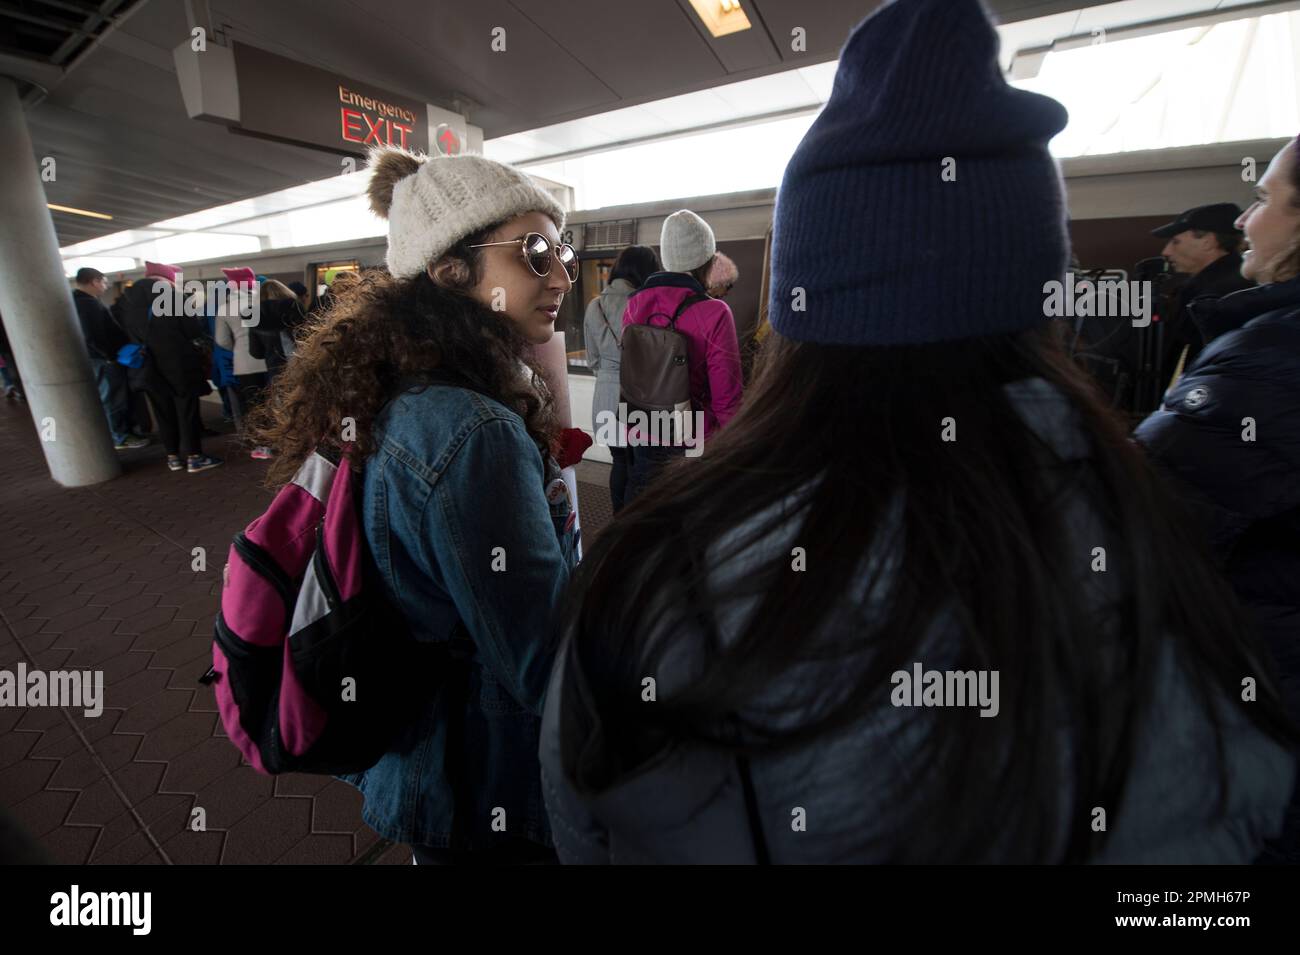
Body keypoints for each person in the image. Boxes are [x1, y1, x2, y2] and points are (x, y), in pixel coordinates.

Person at [539, 0, 1297, 865]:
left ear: (799, 315)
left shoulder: (653, 573)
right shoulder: (1163, 538)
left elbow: (591, 821)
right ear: (1041, 306)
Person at [246, 146, 579, 864]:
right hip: (489, 776)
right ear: (449, 269)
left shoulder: (399, 393)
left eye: (564, 251)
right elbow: (543, 662)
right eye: (534, 251)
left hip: (430, 756)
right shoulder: (473, 429)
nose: (561, 274)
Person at [1136, 134, 1300, 862]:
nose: (1247, 221)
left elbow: (1140, 524)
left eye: (1265, 199)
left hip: (1255, 697)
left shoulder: (1270, 354)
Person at [621, 210, 743, 503]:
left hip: (642, 429)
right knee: (688, 525)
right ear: (708, 261)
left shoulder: (635, 303)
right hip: (693, 438)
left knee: (642, 520)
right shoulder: (715, 312)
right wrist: (734, 444)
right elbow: (727, 394)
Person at [113, 262, 223, 473]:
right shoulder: (174, 297)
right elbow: (193, 331)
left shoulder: (124, 302)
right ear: (167, 280)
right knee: (186, 409)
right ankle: (195, 456)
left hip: (146, 365)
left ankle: (172, 457)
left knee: (162, 411)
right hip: (179, 363)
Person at [584, 245, 659, 512]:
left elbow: (592, 358)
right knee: (638, 464)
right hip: (638, 394)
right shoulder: (645, 302)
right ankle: (633, 523)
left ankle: (618, 518)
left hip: (604, 393)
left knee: (618, 460)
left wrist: (608, 373)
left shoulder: (594, 306)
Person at [1151, 202, 1254, 384]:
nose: (1166, 251)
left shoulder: (1220, 296)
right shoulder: (1215, 287)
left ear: (1207, 241)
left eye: (1176, 241)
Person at [73, 267, 147, 449]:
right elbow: (91, 335)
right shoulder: (87, 304)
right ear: (94, 281)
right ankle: (121, 437)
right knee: (114, 398)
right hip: (105, 360)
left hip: (101, 358)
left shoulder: (79, 301)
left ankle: (124, 433)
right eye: (104, 282)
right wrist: (109, 356)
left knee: (114, 397)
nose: (105, 286)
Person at [215, 267, 273, 459]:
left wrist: (238, 349)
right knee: (275, 402)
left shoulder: (224, 308)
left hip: (244, 364)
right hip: (271, 360)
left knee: (253, 405)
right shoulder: (262, 301)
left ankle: (261, 446)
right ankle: (282, 440)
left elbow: (221, 340)